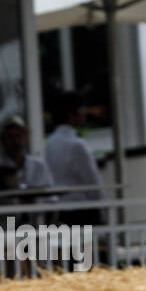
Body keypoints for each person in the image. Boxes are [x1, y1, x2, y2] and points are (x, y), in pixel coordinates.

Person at [45, 90, 105, 224]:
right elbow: (92, 182)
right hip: (82, 210)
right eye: (81, 109)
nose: (85, 113)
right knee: (87, 245)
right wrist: (103, 209)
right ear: (72, 114)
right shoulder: (77, 145)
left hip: (61, 210)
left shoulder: (50, 143)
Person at [0, 117, 54, 192]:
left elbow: (50, 197)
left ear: (26, 138)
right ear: (3, 140)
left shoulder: (39, 166)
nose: (15, 141)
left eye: (18, 136)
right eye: (10, 136)